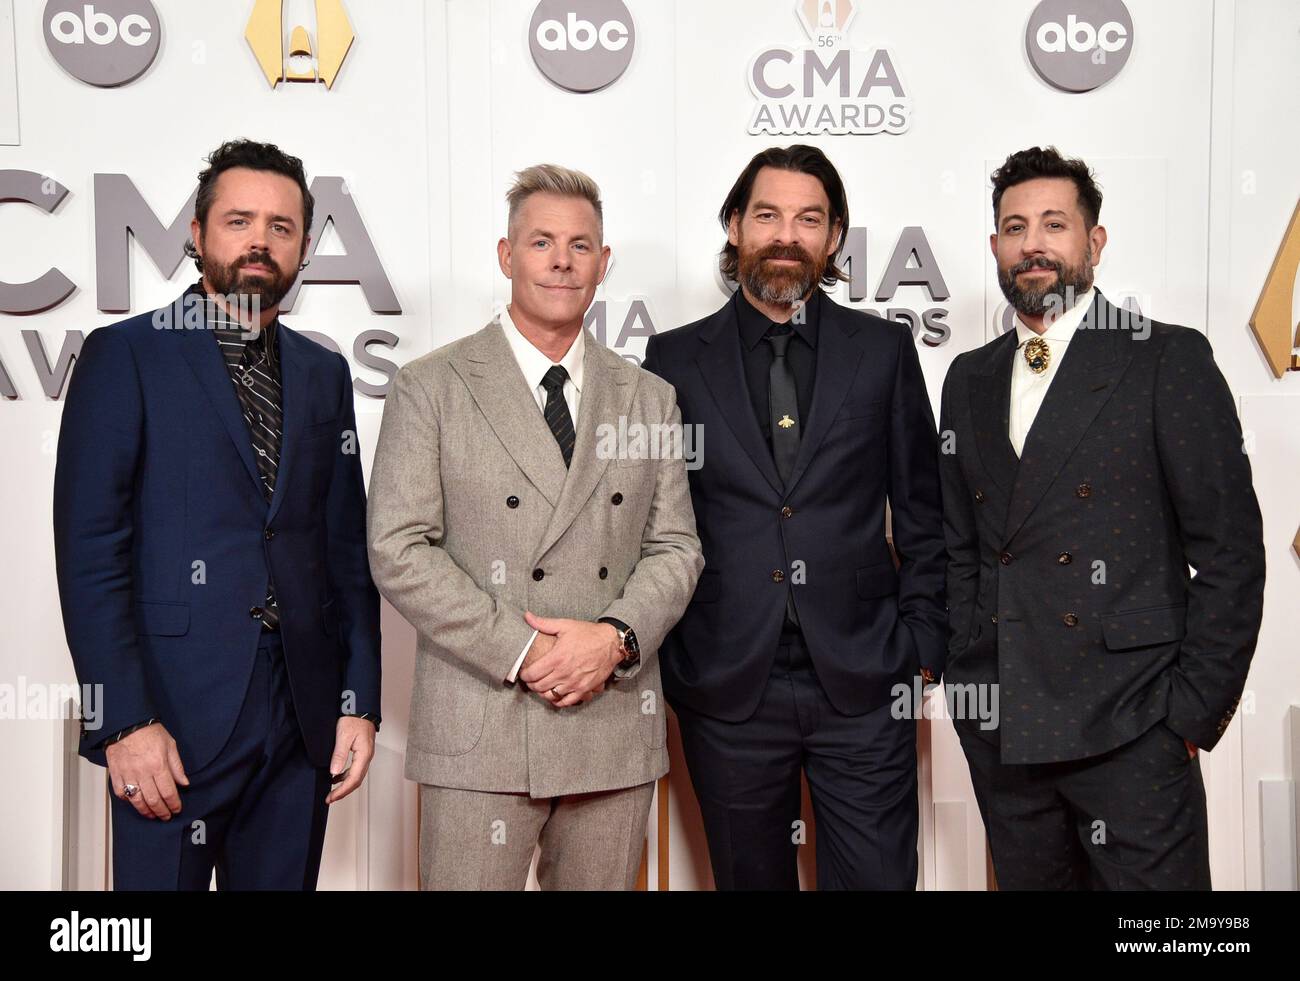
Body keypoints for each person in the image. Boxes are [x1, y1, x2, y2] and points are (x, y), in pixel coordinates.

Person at [53, 139, 382, 890]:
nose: (260, 240)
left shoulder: (323, 372)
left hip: (301, 723)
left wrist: (358, 702)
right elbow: (89, 553)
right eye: (239, 220)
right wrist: (124, 723)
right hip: (168, 723)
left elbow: (344, 551)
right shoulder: (126, 355)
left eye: (282, 226)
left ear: (303, 246)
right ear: (198, 234)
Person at [367, 164, 702, 890]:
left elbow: (674, 546)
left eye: (581, 245)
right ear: (505, 254)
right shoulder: (433, 386)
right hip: (480, 721)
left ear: (603, 264)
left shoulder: (648, 397)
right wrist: (526, 650)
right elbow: (397, 548)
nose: (561, 260)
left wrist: (613, 640)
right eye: (542, 241)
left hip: (609, 720)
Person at [938, 145, 1266, 889]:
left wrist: (1186, 718)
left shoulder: (1165, 360)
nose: (1034, 244)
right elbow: (962, 546)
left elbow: (1231, 555)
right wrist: (968, 677)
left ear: (1095, 241)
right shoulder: (970, 377)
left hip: (1133, 730)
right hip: (1007, 732)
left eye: (1055, 224)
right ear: (995, 246)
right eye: (1015, 227)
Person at [642, 145, 947, 890]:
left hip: (866, 681)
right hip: (728, 683)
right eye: (768, 215)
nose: (787, 235)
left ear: (833, 237)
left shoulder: (881, 351)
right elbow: (650, 524)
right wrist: (679, 658)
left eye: (808, 219)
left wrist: (922, 646)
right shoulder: (674, 360)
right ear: (735, 226)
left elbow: (924, 513)